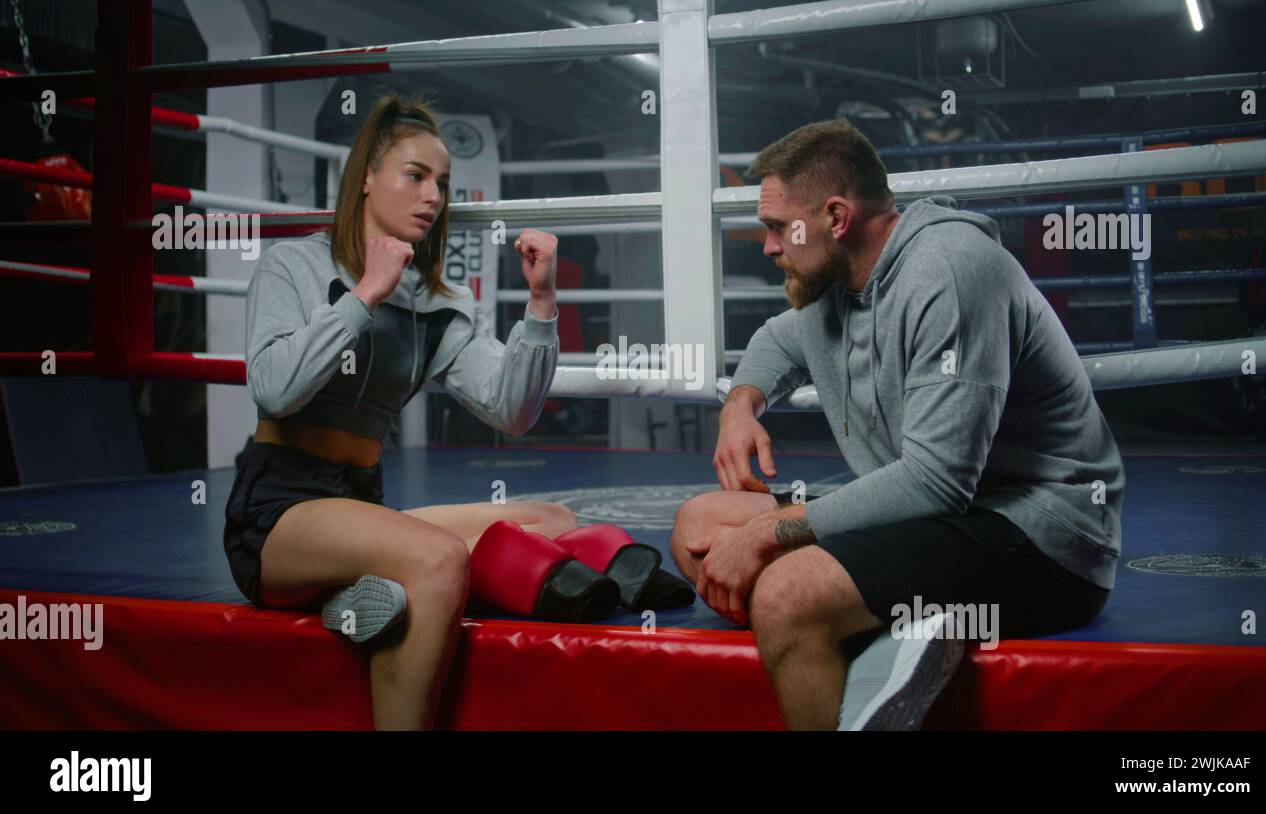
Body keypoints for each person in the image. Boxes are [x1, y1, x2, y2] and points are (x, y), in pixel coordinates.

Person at [670, 119, 1124, 730]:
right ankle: (894, 630)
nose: (769, 245)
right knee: (698, 527)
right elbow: (776, 340)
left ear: (836, 216)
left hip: (1038, 539)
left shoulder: (953, 272)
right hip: (936, 525)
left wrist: (768, 536)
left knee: (783, 591)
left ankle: (848, 621)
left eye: (779, 226)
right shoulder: (837, 282)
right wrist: (740, 405)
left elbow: (938, 483)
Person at [224, 94, 575, 730]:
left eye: (441, 182)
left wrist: (542, 305)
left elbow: (510, 411)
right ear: (365, 179)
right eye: (415, 176)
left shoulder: (437, 302)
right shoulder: (294, 265)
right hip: (277, 513)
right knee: (439, 558)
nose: (433, 195)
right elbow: (272, 391)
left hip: (358, 502)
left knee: (551, 519)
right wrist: (363, 296)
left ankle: (350, 595)